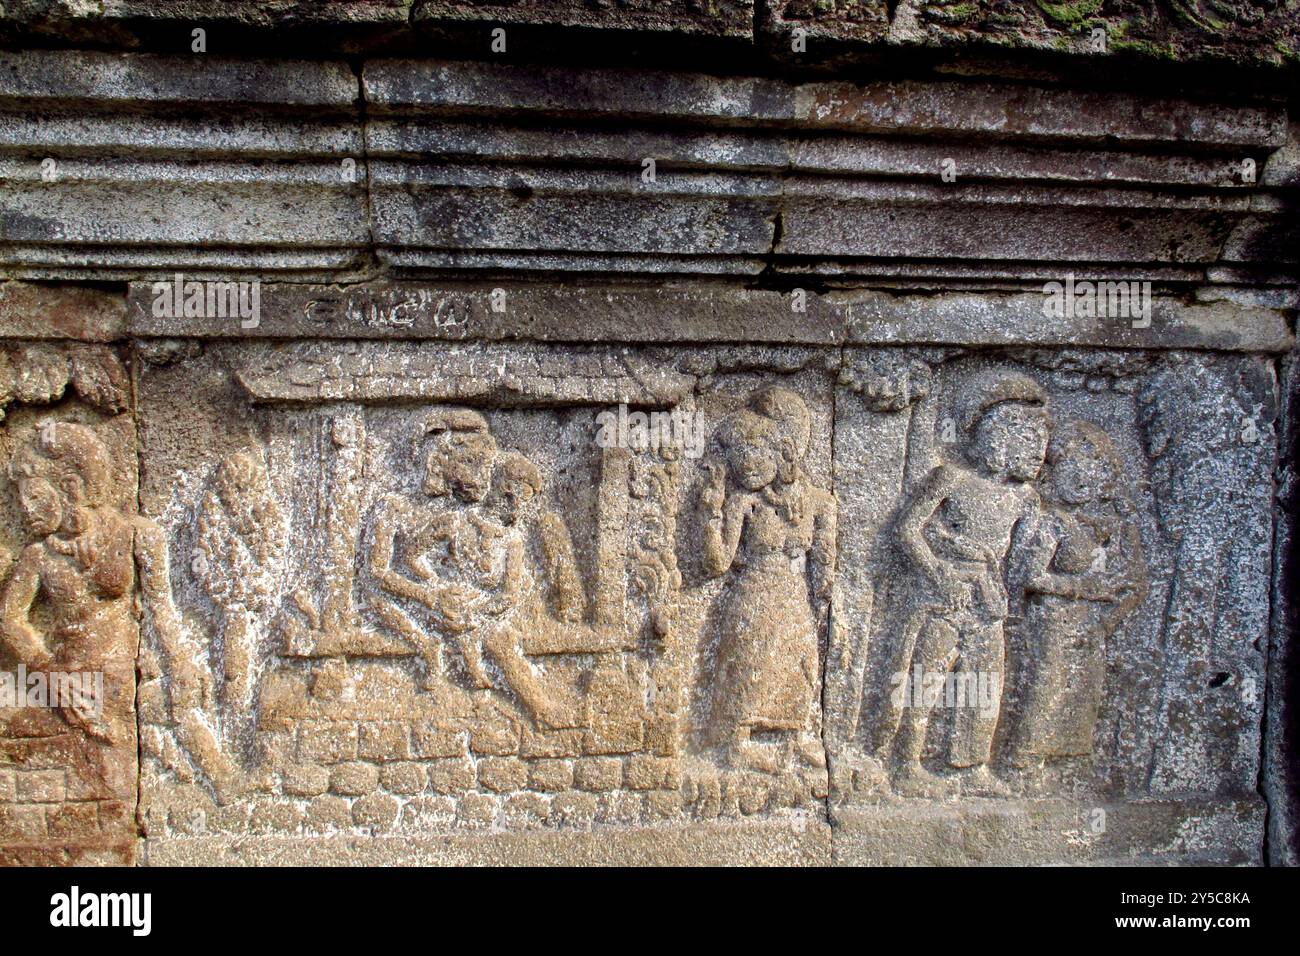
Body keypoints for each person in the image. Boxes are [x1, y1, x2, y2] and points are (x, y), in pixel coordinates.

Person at [882, 370, 1050, 797]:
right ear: (995, 436)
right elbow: (907, 529)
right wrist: (938, 569)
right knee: (926, 679)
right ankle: (906, 762)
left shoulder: (1023, 498)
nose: (1038, 451)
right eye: (1027, 438)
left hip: (988, 603)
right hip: (946, 597)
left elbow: (1031, 556)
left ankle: (970, 766)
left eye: (1040, 439)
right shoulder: (951, 479)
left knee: (983, 685)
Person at [701, 386, 836, 774]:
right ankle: (737, 741)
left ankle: (796, 736)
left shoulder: (818, 501)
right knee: (751, 657)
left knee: (799, 661)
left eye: (756, 450)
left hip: (794, 596)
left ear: (786, 449)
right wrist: (711, 512)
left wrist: (826, 591)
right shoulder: (745, 502)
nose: (746, 463)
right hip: (752, 592)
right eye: (738, 453)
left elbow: (823, 558)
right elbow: (717, 563)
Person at [0, 421, 135, 802]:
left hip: (119, 674)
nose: (25, 509)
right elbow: (9, 618)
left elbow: (158, 610)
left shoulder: (126, 534)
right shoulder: (38, 556)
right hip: (64, 674)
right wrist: (47, 671)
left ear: (70, 487)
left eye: (34, 497)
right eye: (20, 499)